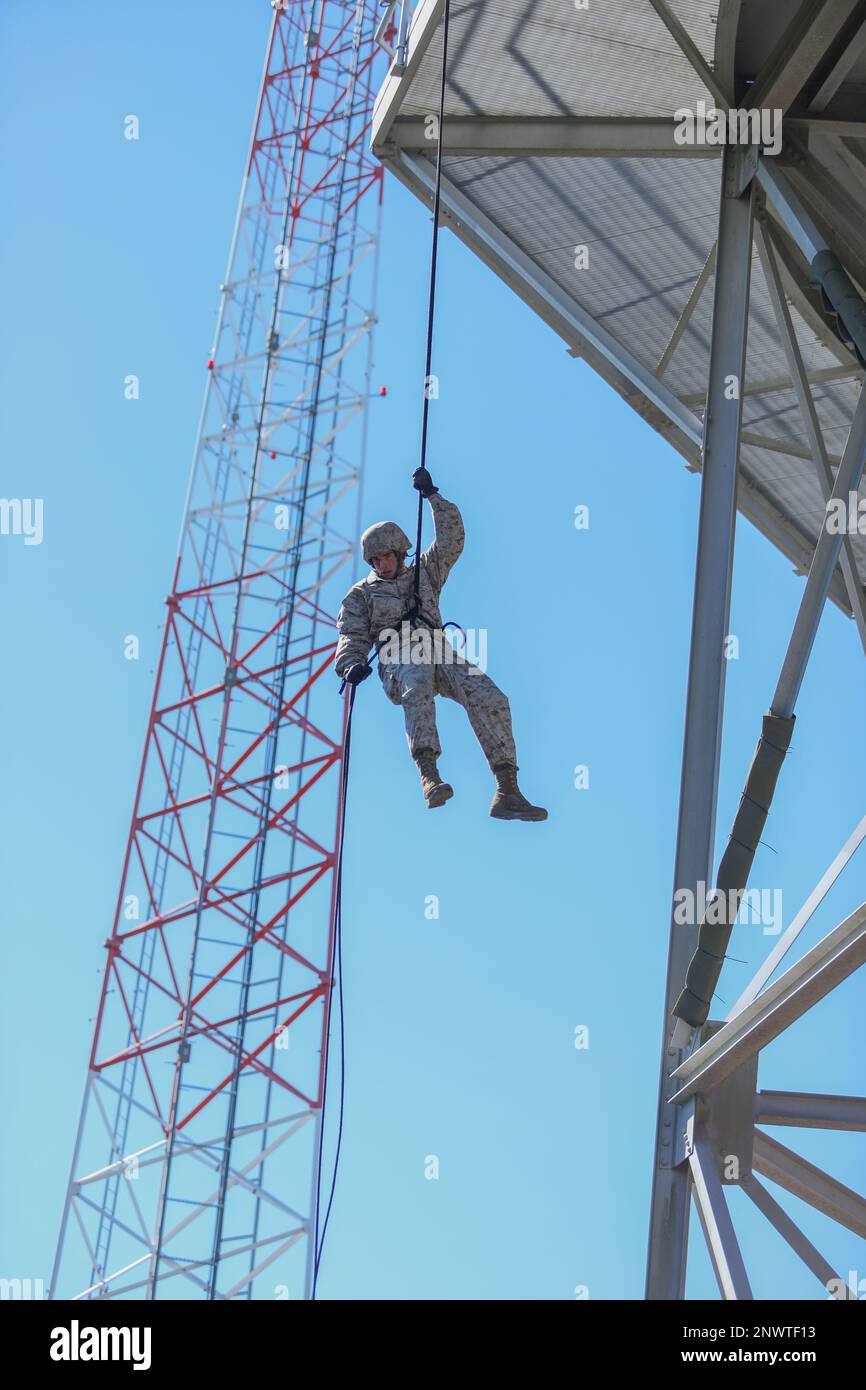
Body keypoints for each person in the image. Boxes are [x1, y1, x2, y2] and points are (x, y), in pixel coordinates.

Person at [334, 466, 547, 821]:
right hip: (397, 656)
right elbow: (351, 635)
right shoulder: (361, 595)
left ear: (401, 553)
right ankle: (429, 775)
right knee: (416, 682)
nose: (383, 564)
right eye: (376, 560)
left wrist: (433, 497)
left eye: (388, 556)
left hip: (438, 648)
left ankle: (507, 789)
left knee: (490, 696)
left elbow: (452, 541)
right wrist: (351, 664)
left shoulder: (424, 573)